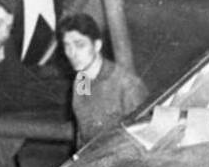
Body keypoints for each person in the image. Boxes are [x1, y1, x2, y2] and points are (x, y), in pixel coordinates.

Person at [59, 13, 148, 147]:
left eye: (80, 45)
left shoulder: (127, 85)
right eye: (67, 45)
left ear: (97, 46)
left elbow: (144, 139)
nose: (72, 53)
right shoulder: (81, 79)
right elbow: (83, 130)